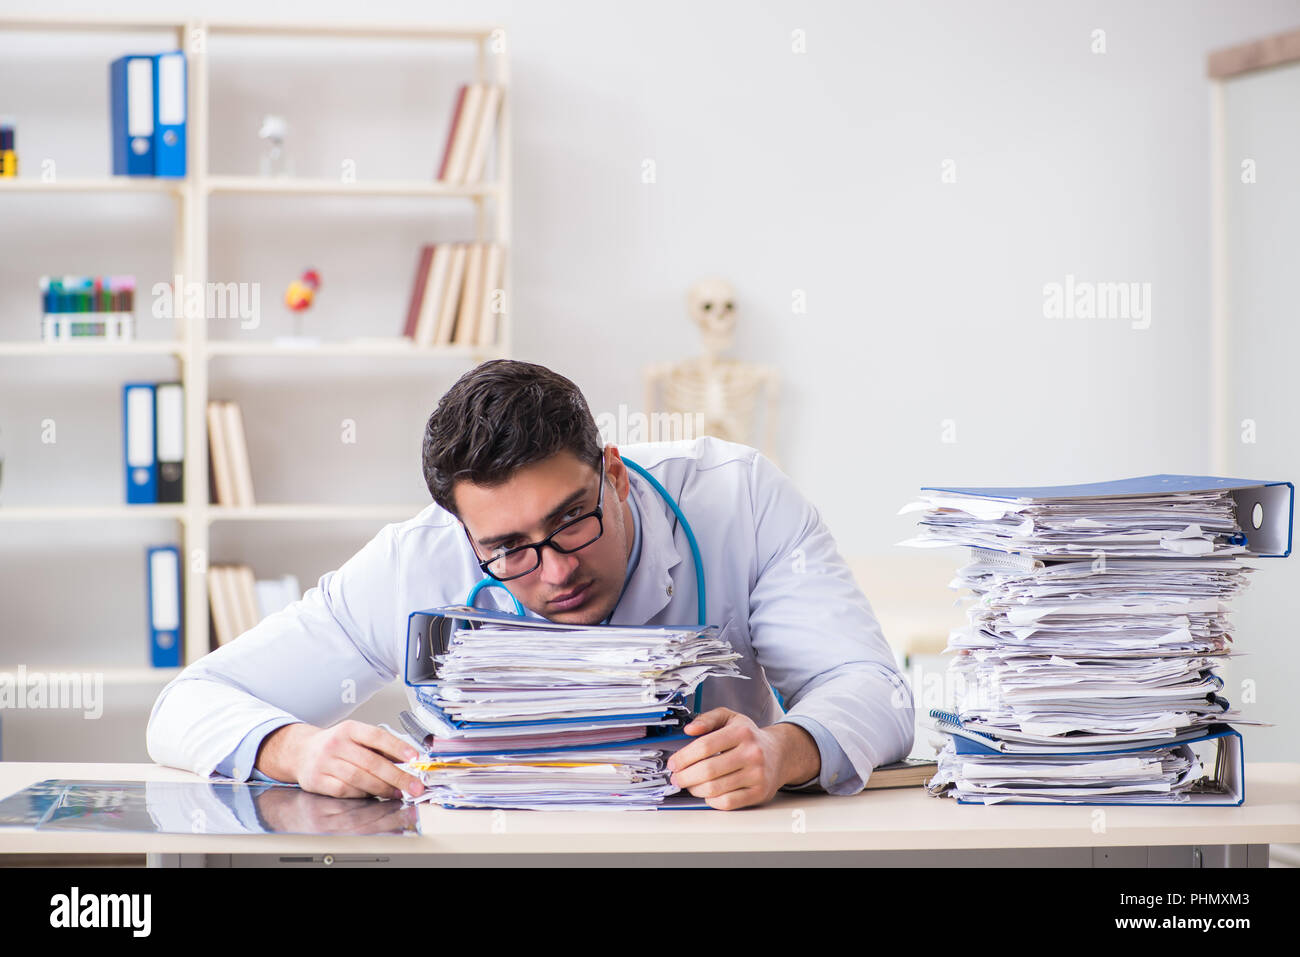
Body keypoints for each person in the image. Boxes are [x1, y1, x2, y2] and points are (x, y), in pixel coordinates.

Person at [147, 360, 914, 810]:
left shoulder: (737, 496)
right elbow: (185, 704)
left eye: (573, 520)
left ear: (613, 472)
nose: (555, 571)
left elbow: (875, 688)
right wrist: (296, 749)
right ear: (462, 531)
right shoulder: (415, 560)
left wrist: (787, 749)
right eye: (507, 548)